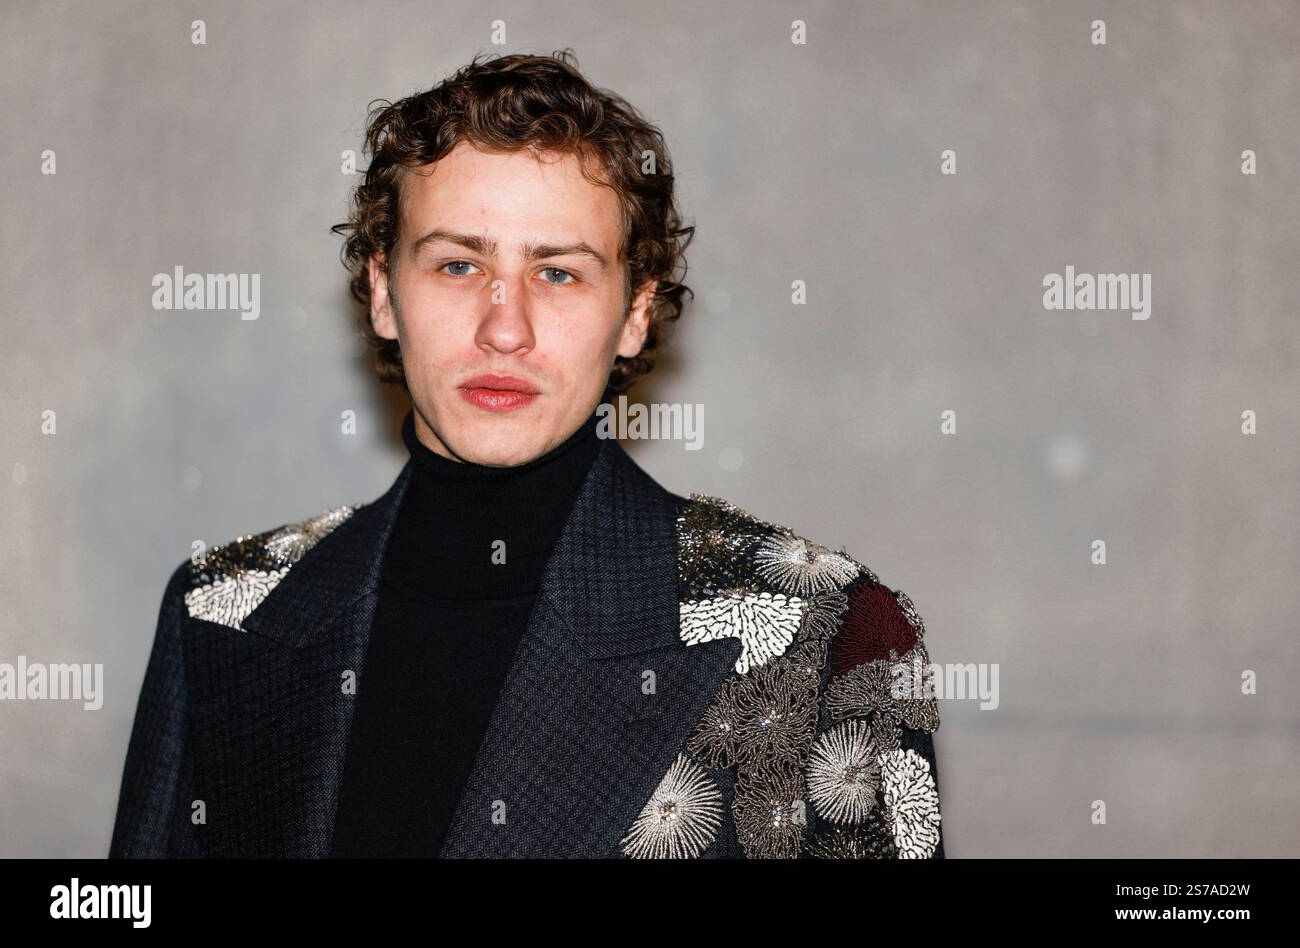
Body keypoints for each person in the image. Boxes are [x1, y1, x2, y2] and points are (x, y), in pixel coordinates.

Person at [109, 49, 944, 859]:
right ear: (382, 292)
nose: (503, 327)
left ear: (636, 314)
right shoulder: (220, 610)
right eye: (458, 264)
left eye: (558, 274)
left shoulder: (829, 632)